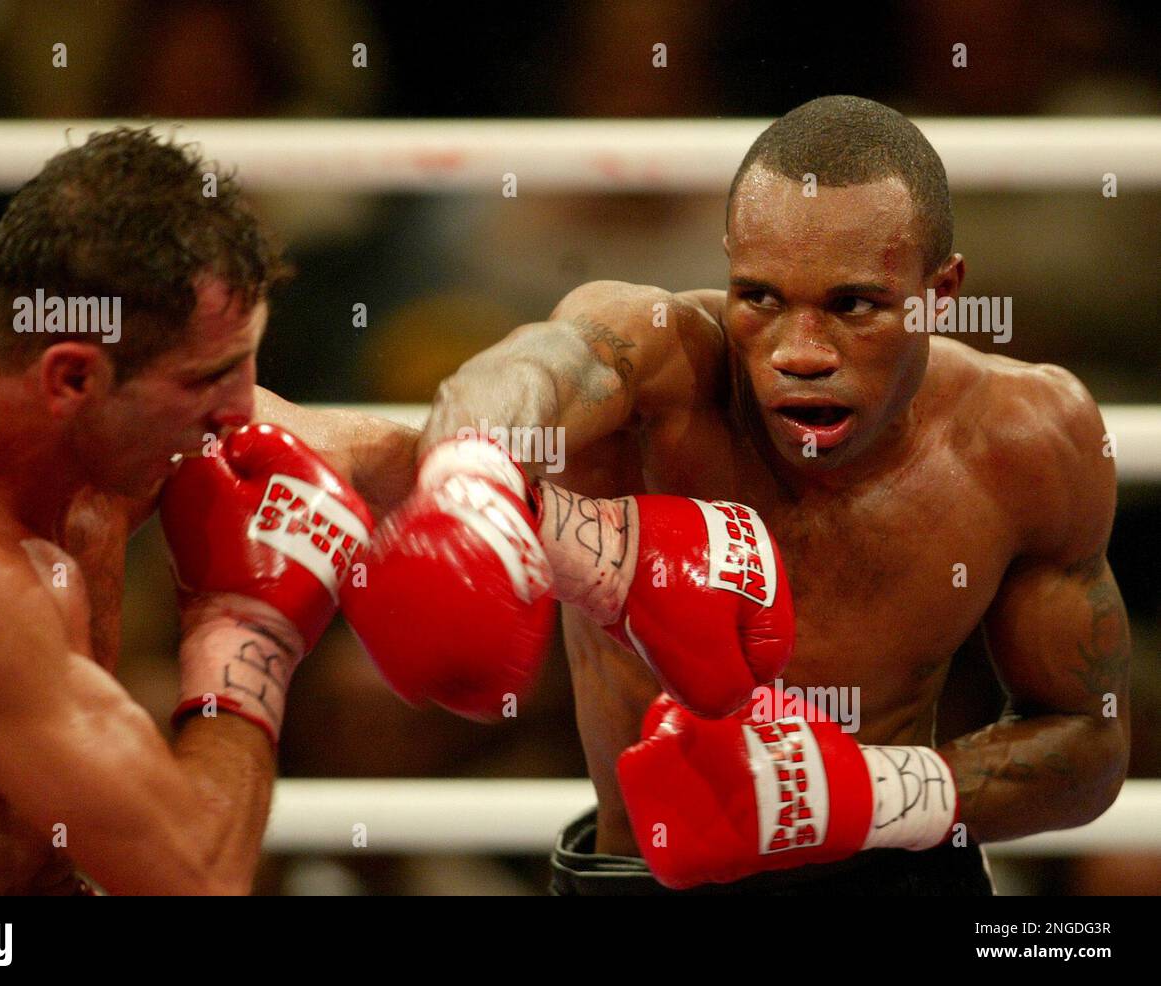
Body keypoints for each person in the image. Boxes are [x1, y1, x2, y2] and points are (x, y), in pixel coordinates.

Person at [347, 96, 1131, 895]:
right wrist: (472, 479)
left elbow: (1089, 745)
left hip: (892, 876)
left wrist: (862, 795)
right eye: (759, 297)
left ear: (942, 292)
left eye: (852, 305)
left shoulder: (1028, 438)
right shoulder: (662, 371)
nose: (799, 352)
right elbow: (538, 367)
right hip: (641, 878)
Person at [0, 127, 416, 894]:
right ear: (73, 381)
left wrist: (517, 507)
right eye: (210, 376)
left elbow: (350, 449)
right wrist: (244, 637)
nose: (242, 409)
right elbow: (200, 880)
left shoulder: (45, 411)